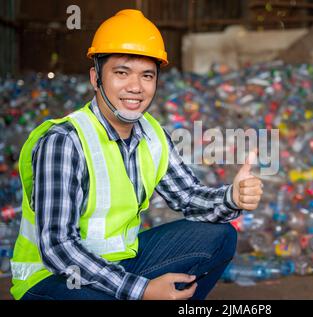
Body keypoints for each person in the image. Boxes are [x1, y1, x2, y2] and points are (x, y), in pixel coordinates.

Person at [10, 9, 263, 300]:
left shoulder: (153, 135)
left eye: (147, 75)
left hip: (120, 263)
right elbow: (57, 247)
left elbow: (189, 197)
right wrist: (141, 289)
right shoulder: (64, 142)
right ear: (96, 78)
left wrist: (233, 196)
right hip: (53, 279)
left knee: (220, 237)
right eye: (121, 72)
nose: (135, 87)